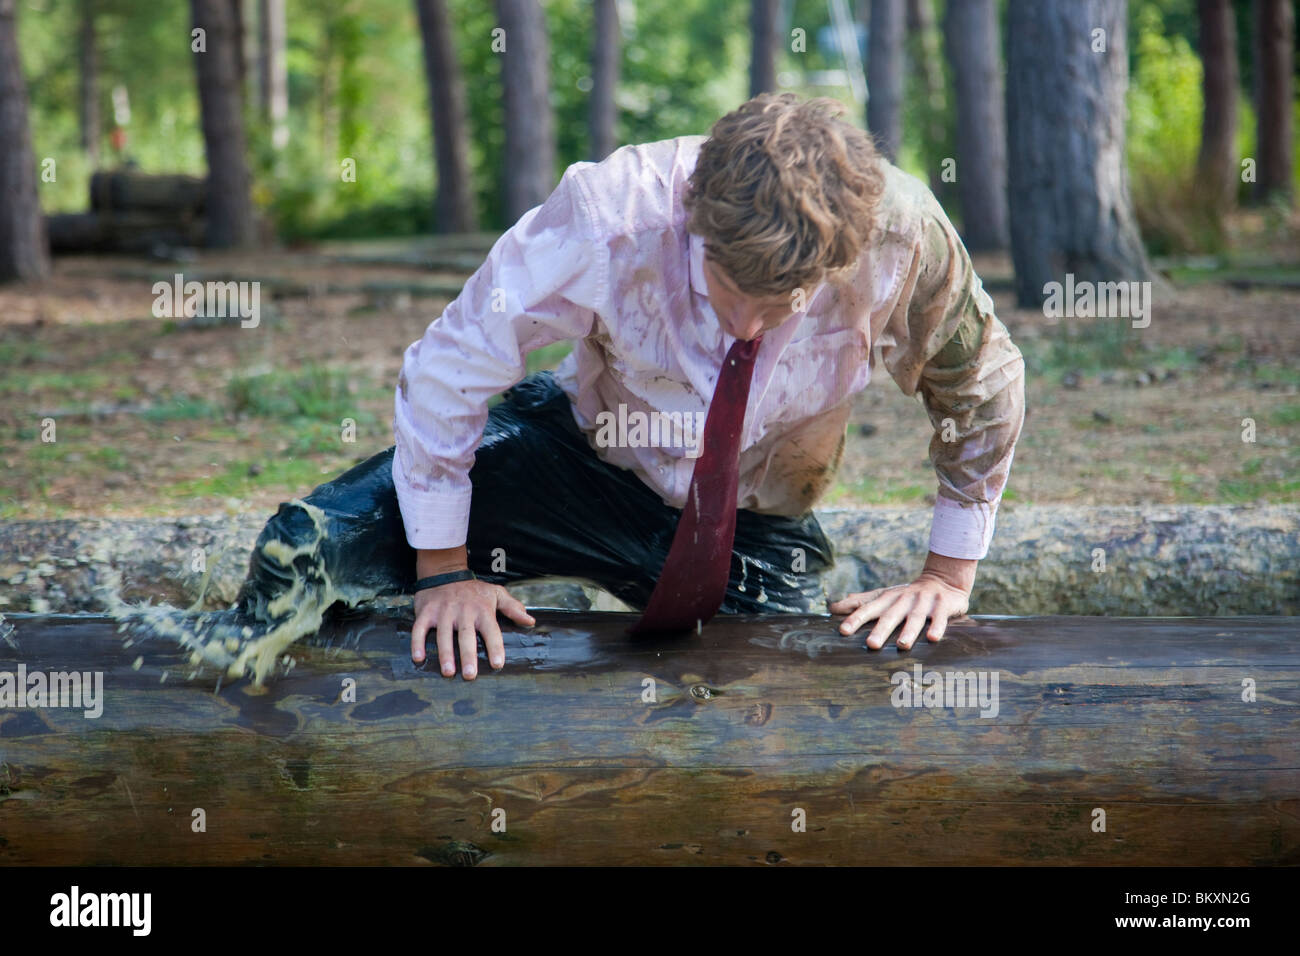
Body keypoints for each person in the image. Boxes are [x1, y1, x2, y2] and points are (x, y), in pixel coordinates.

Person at [237, 93, 1025, 681]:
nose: (749, 328)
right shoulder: (611, 212)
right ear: (695, 217)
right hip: (580, 463)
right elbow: (453, 361)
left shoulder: (903, 237)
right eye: (729, 285)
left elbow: (982, 385)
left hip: (750, 522)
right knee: (300, 551)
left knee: (772, 730)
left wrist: (946, 575)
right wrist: (442, 568)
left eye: (784, 301)